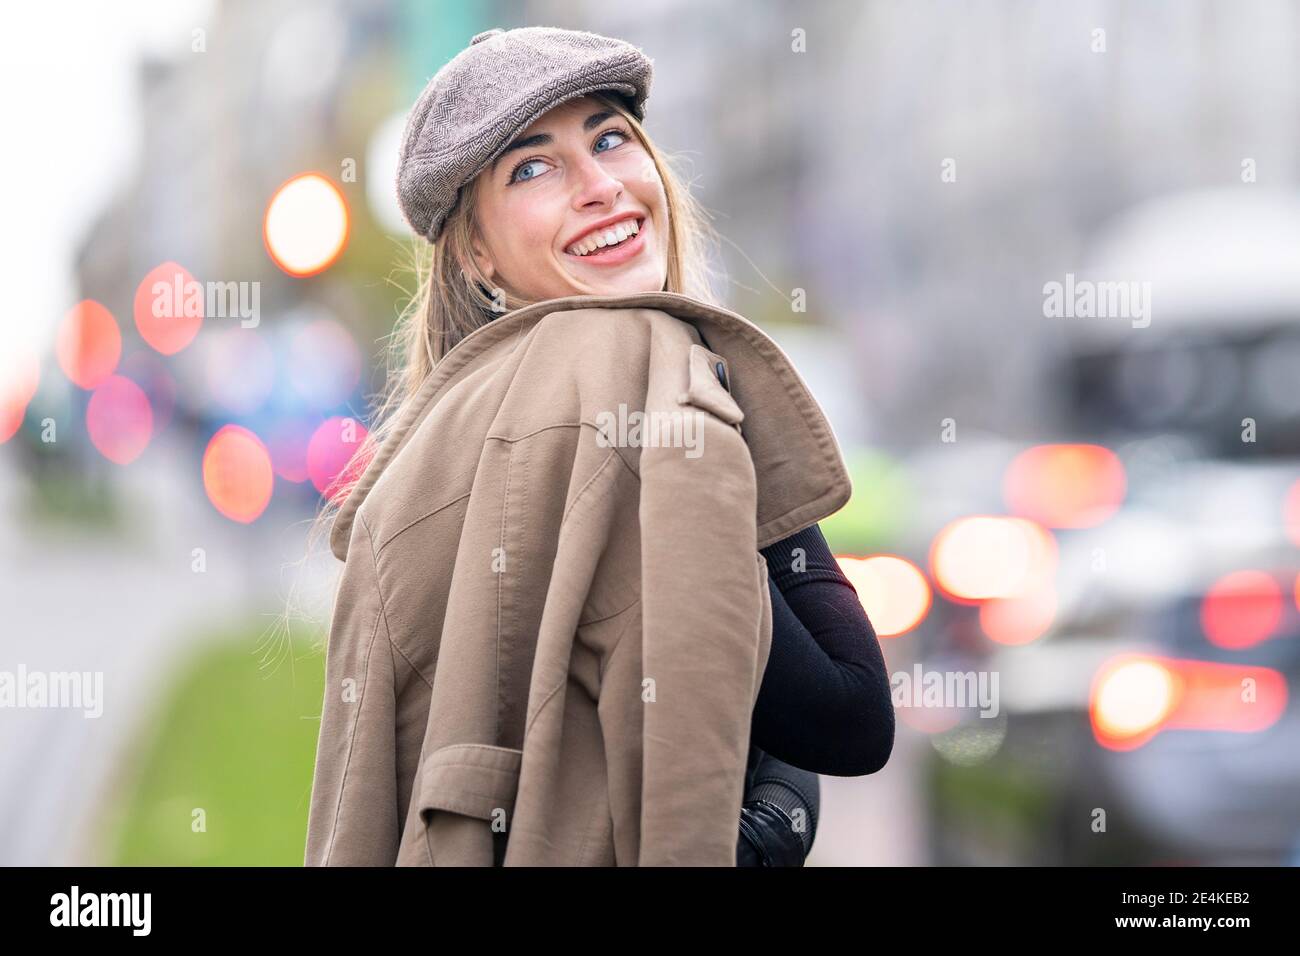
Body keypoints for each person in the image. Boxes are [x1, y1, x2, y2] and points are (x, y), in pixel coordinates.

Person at [306, 26, 892, 867]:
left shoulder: (413, 461)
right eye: (533, 167)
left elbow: (353, 813)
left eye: (610, 138)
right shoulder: (645, 368)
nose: (599, 186)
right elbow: (849, 713)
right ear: (475, 251)